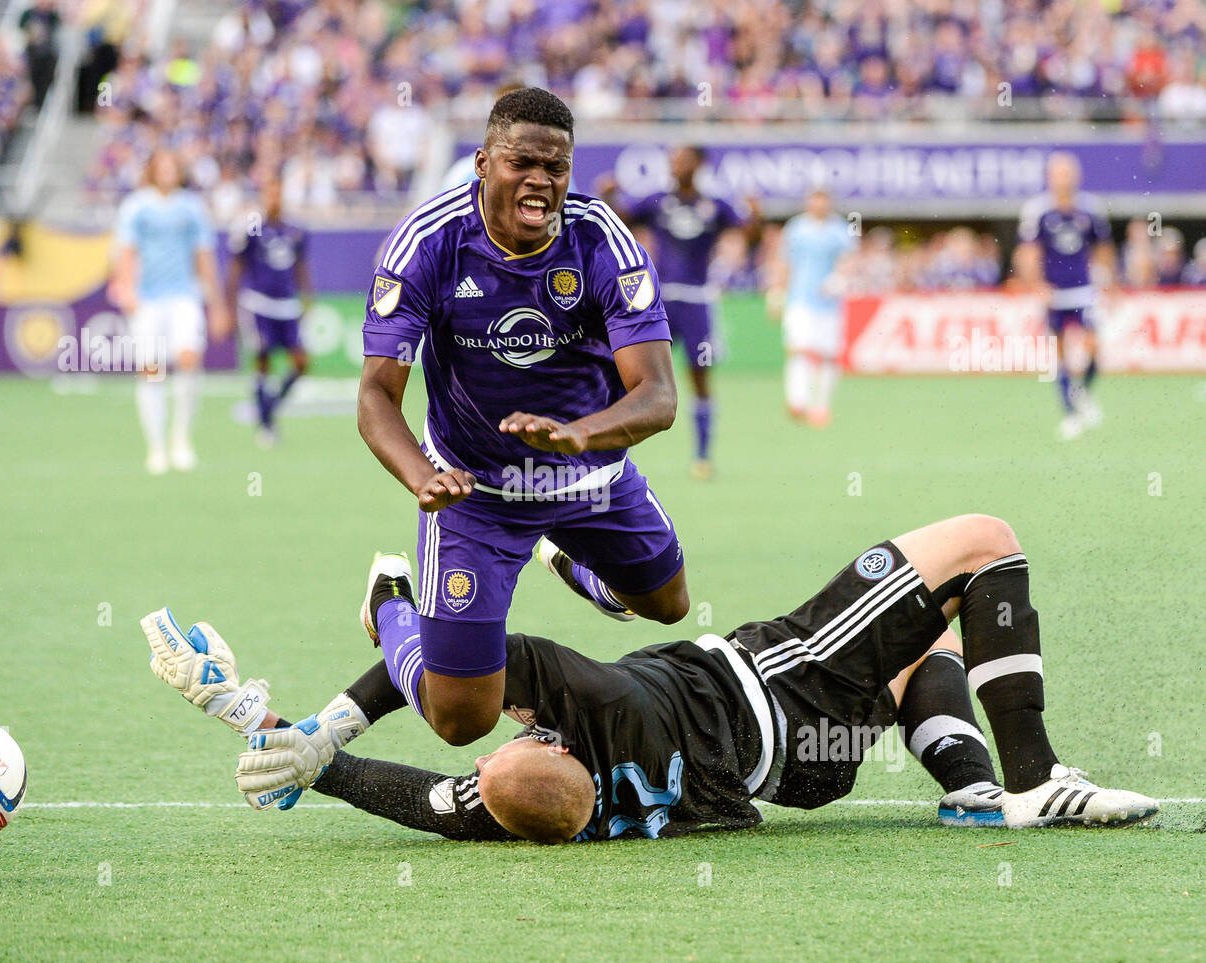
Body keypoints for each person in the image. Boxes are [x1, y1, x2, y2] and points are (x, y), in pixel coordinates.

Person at [143, 513, 1159, 840]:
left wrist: (255, 721)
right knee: (981, 548)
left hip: (794, 773)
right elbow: (488, 662)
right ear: (546, 742)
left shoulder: (567, 809)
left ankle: (968, 788)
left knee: (925, 648)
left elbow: (425, 801)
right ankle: (1026, 779)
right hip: (783, 680)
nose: (507, 742)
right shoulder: (606, 708)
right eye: (520, 739)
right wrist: (379, 642)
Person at [356, 87, 688, 749]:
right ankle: (390, 606)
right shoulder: (428, 244)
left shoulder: (602, 241)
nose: (540, 179)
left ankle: (568, 556)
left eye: (556, 168)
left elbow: (658, 396)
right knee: (461, 722)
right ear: (483, 163)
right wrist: (424, 478)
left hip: (589, 478)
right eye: (521, 163)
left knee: (667, 606)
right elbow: (375, 397)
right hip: (476, 494)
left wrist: (580, 436)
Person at [600, 147, 761, 479]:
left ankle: (702, 456)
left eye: (683, 160)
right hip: (659, 300)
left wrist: (756, 215)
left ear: (698, 165)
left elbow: (749, 234)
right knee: (632, 374)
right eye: (673, 160)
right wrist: (610, 196)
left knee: (699, 377)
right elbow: (622, 219)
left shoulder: (714, 204)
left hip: (698, 300)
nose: (676, 165)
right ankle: (606, 450)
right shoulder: (658, 198)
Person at [109, 148, 231, 474]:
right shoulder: (137, 206)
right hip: (148, 298)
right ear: (152, 169)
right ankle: (156, 447)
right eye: (161, 166)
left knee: (188, 359)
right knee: (151, 369)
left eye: (172, 166)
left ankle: (181, 439)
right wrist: (126, 288)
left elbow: (203, 255)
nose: (167, 171)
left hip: (184, 295)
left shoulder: (191, 207)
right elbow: (126, 251)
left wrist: (217, 303)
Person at [1016, 152, 1115, 442]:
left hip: (1085, 290)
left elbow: (1104, 248)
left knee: (1094, 349)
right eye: (1058, 174)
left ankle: (1081, 392)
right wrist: (1036, 284)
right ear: (1050, 178)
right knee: (1059, 354)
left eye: (1068, 173)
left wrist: (1110, 284)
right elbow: (1028, 252)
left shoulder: (1091, 209)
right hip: (1055, 293)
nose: (1064, 179)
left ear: (1077, 176)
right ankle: (1070, 414)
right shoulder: (1038, 211)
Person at [226, 174, 310, 447]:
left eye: (279, 193)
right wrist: (230, 305)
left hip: (287, 305)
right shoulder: (251, 229)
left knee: (300, 363)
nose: (275, 198)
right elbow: (236, 268)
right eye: (270, 193)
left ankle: (268, 407)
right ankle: (266, 425)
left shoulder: (294, 231)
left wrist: (308, 298)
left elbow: (300, 268)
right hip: (258, 303)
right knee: (263, 359)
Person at [766, 187, 857, 427]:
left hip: (829, 304)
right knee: (799, 349)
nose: (819, 204)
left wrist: (839, 279)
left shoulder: (838, 229)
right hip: (800, 300)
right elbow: (784, 262)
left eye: (823, 199)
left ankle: (821, 405)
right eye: (814, 198)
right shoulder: (796, 228)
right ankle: (797, 401)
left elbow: (848, 261)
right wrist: (777, 292)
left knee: (828, 355)